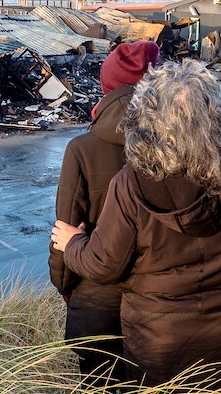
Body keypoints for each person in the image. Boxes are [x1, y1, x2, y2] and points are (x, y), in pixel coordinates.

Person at [52, 60, 221, 390]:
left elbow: (104, 264)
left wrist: (72, 243)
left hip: (158, 350)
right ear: (214, 117)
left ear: (148, 118)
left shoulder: (131, 184)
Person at [48, 39, 159, 380]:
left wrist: (65, 285)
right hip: (157, 304)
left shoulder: (82, 149)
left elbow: (65, 230)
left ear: (106, 87)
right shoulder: (177, 143)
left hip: (97, 297)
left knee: (99, 384)